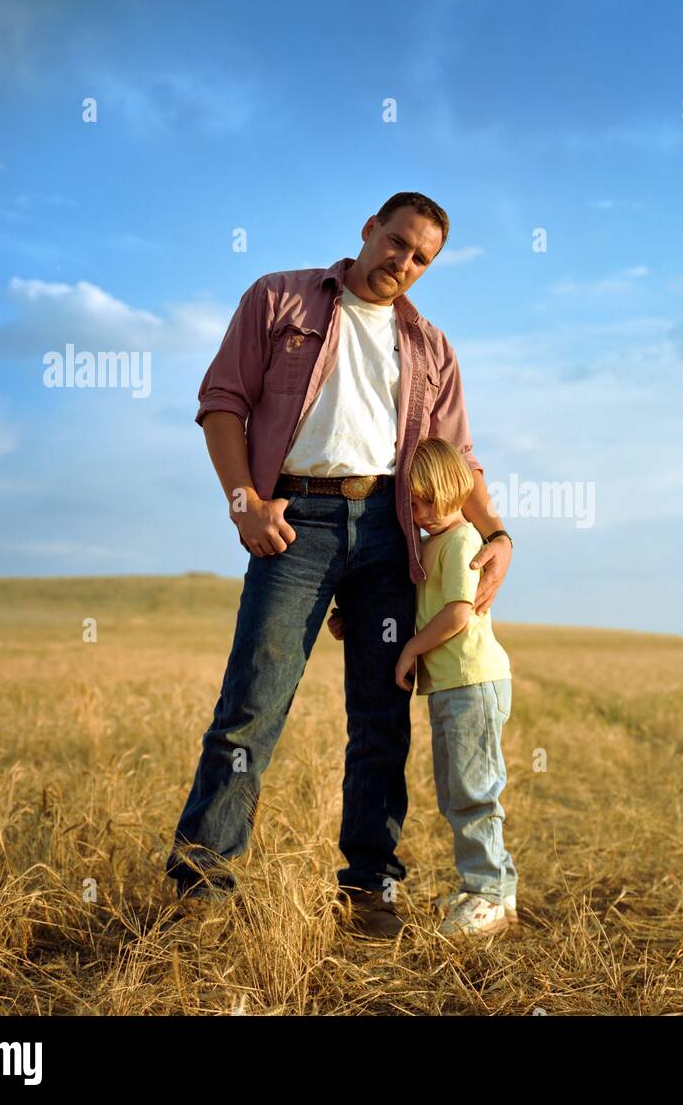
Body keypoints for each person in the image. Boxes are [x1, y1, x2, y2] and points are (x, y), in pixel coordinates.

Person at [164, 193, 515, 939]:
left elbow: (462, 460)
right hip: (296, 524)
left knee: (382, 717)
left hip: (394, 534)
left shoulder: (432, 346)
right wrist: (244, 503)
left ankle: (369, 889)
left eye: (423, 258)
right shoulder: (278, 297)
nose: (404, 262)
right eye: (397, 242)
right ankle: (200, 889)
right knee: (250, 708)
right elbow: (221, 402)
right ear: (368, 231)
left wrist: (499, 533)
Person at [331, 438, 517, 936]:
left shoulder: (459, 542)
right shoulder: (432, 543)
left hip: (473, 683)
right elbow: (423, 605)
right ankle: (497, 890)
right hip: (454, 686)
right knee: (460, 789)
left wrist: (411, 649)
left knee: (473, 792)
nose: (421, 512)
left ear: (457, 488)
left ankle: (488, 892)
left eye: (429, 499)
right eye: (411, 503)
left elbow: (457, 613)